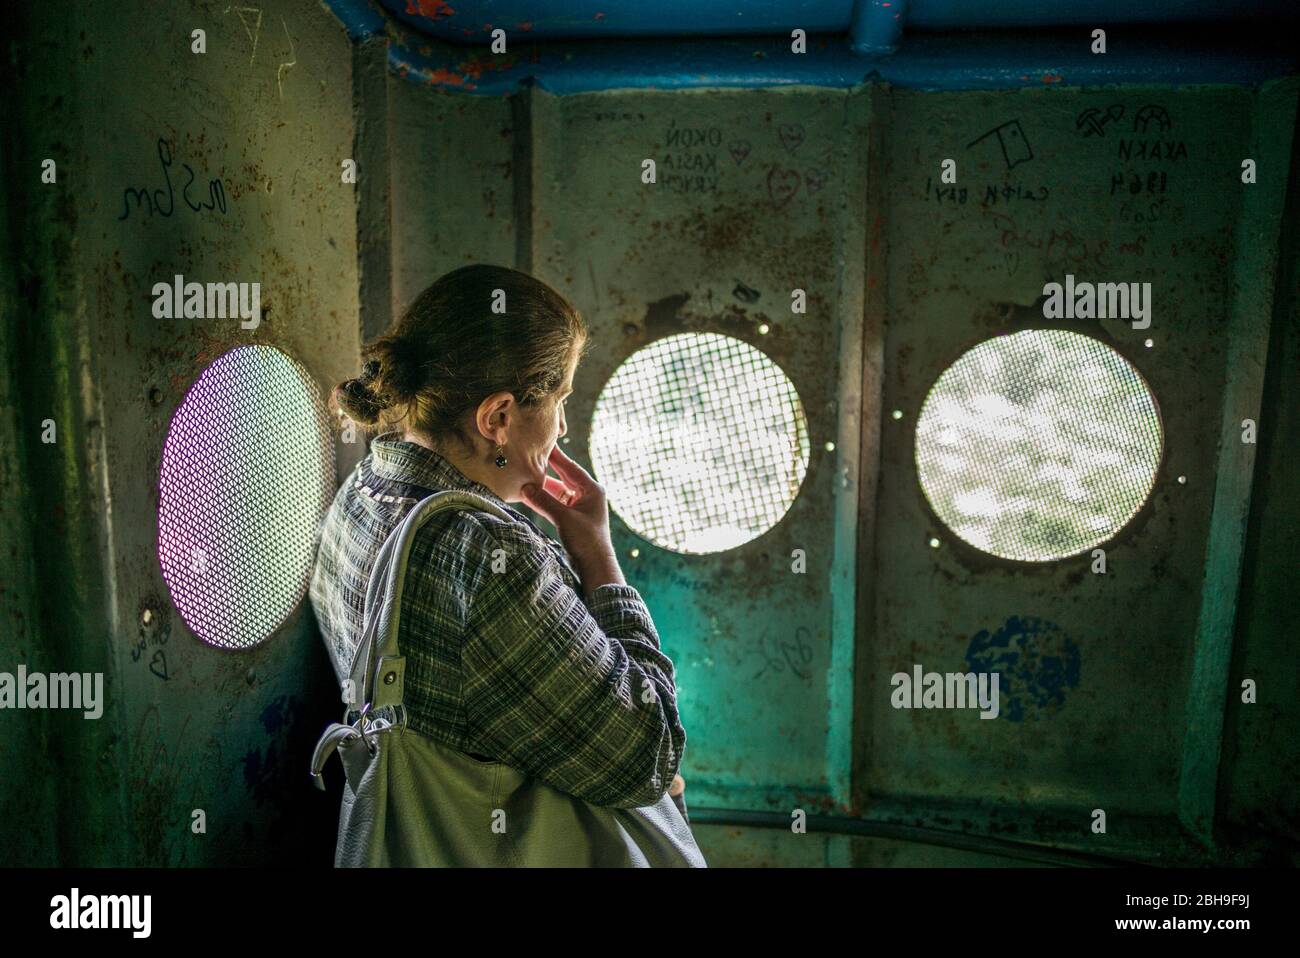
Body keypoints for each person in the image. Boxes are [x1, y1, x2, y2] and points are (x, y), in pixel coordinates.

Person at [309, 263, 694, 861]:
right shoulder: (492, 557)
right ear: (497, 418)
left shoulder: (361, 491)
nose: (563, 426)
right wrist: (597, 555)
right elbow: (646, 758)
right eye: (560, 400)